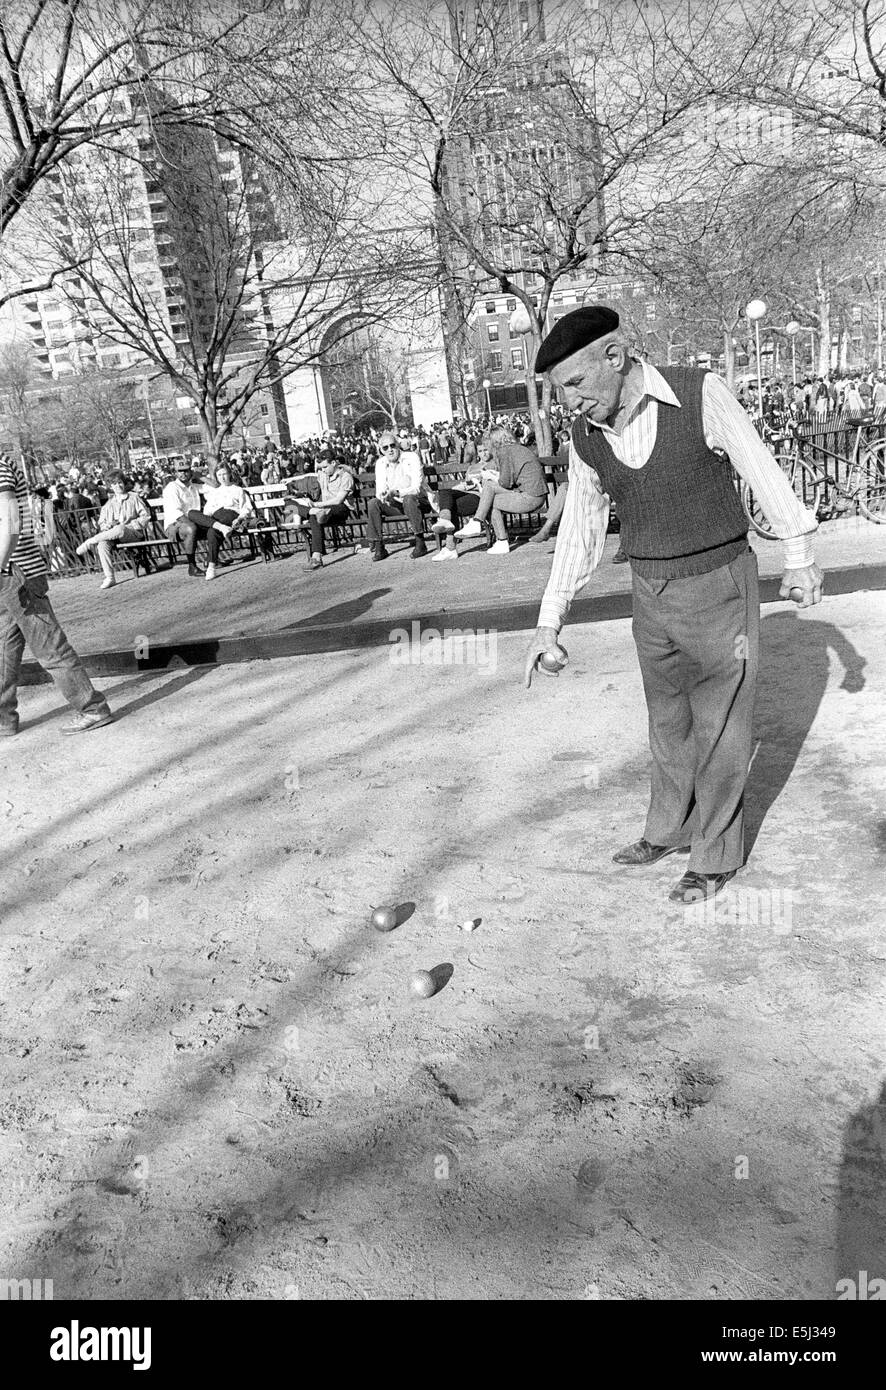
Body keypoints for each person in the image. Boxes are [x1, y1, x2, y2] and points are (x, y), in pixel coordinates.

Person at [523, 304, 823, 905]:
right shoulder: (586, 438)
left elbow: (761, 469)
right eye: (560, 393)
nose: (569, 404)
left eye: (575, 385)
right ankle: (668, 830)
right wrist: (548, 623)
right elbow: (580, 534)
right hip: (649, 593)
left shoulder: (699, 392)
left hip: (718, 582)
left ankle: (715, 856)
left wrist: (799, 555)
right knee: (669, 721)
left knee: (720, 725)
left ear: (614, 357)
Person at [1, 451, 113, 735]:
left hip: (16, 574)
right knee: (3, 650)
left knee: (49, 647)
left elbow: (10, 522)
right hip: (9, 574)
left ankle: (92, 708)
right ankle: (3, 719)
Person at [454, 424, 547, 554]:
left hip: (530, 497)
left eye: (488, 443)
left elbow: (505, 483)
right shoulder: (517, 448)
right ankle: (497, 538)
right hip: (536, 494)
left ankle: (481, 525)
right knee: (491, 498)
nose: (488, 448)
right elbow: (512, 479)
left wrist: (490, 476)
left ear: (494, 442)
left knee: (489, 488)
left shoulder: (504, 451)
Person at [74, 471, 151, 590]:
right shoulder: (109, 504)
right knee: (102, 544)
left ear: (124, 483)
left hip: (133, 533)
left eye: (120, 483)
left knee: (120, 528)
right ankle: (109, 577)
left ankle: (90, 541)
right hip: (115, 535)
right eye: (114, 484)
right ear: (110, 486)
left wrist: (131, 525)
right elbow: (102, 523)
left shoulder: (134, 497)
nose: (118, 486)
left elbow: (145, 516)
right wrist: (108, 526)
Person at [186, 460, 254, 581]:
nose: (222, 477)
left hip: (230, 514)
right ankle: (221, 528)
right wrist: (205, 519)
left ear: (229, 474)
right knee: (191, 513)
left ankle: (211, 567)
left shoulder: (237, 489)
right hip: (215, 518)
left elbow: (246, 508)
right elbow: (207, 510)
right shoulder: (215, 492)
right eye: (219, 475)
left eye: (224, 474)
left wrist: (239, 518)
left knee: (213, 531)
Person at [366, 431, 429, 561]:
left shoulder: (411, 458)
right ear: (381, 450)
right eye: (385, 447)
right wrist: (384, 495)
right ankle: (379, 546)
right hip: (395, 504)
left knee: (409, 498)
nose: (390, 450)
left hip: (418, 502)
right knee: (373, 503)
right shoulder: (380, 463)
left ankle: (420, 542)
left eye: (392, 445)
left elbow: (416, 488)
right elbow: (380, 489)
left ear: (398, 445)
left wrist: (396, 492)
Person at [289, 450, 357, 570]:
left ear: (334, 463)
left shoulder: (345, 477)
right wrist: (290, 484)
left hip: (341, 509)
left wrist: (317, 504)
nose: (323, 470)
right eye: (321, 468)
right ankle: (316, 556)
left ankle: (316, 557)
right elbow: (308, 476)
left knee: (319, 512)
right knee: (306, 511)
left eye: (325, 467)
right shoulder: (323, 474)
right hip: (323, 509)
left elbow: (338, 500)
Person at [430, 439, 491, 562]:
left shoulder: (494, 464)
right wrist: (458, 487)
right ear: (477, 453)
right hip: (467, 494)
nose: (483, 453)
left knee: (449, 504)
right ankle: (445, 520)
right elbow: (466, 483)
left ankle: (450, 548)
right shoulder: (472, 468)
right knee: (445, 493)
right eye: (480, 451)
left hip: (481, 498)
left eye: (486, 450)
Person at [161, 458, 204, 577]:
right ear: (175, 472)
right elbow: (176, 513)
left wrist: (200, 476)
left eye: (186, 471)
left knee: (213, 524)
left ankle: (212, 560)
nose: (183, 474)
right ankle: (192, 566)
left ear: (190, 471)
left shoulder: (193, 486)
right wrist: (194, 522)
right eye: (180, 471)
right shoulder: (172, 487)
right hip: (174, 525)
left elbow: (214, 487)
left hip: (192, 520)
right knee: (191, 528)